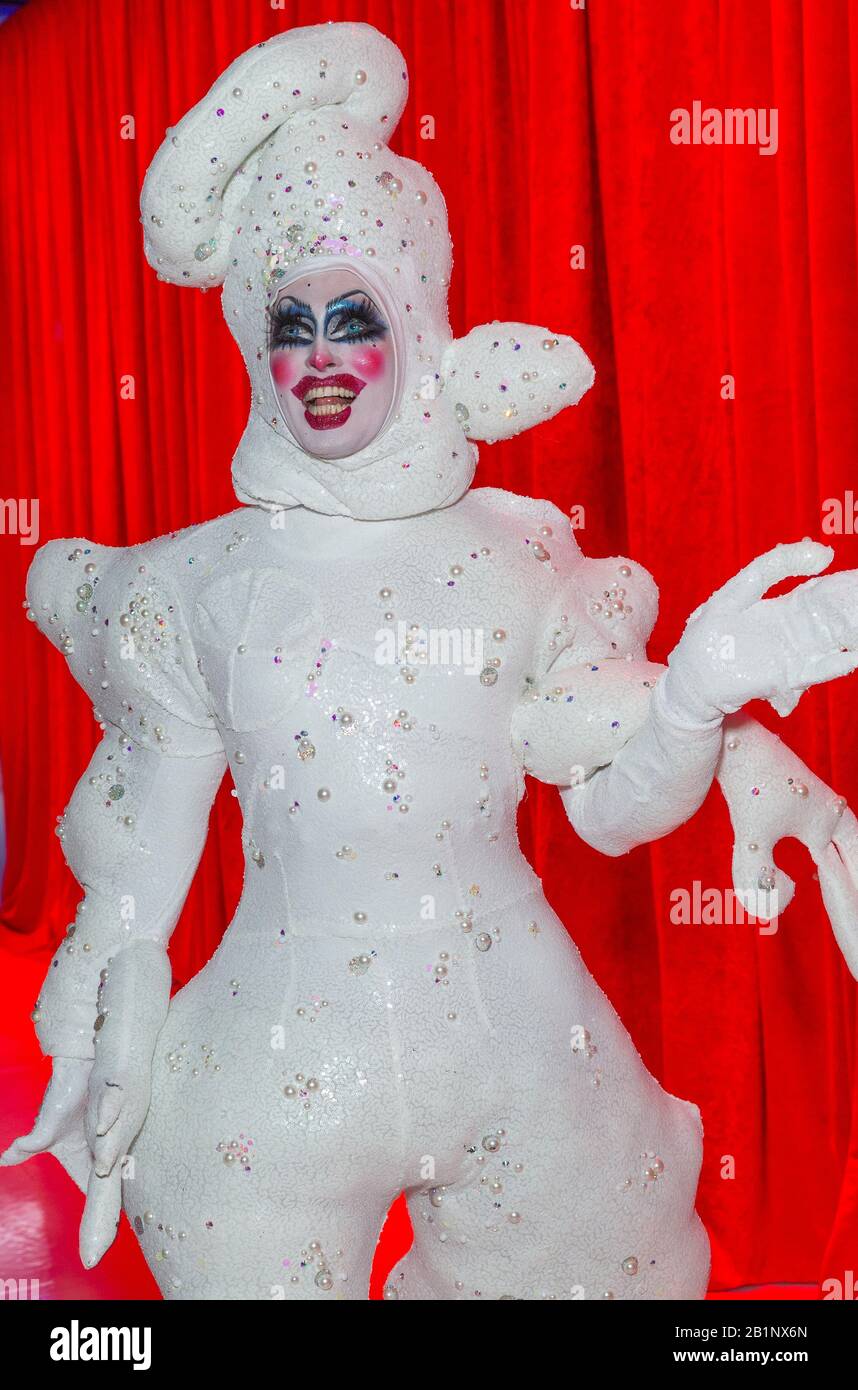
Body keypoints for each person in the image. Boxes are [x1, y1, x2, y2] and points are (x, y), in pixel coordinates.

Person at [3, 21, 858, 1302]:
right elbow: (142, 850)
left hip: (529, 1055)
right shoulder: (196, 584)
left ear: (418, 318)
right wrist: (97, 994)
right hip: (268, 1080)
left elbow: (619, 808)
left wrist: (696, 697)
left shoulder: (518, 559)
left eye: (359, 314)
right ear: (252, 342)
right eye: (290, 322)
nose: (324, 358)